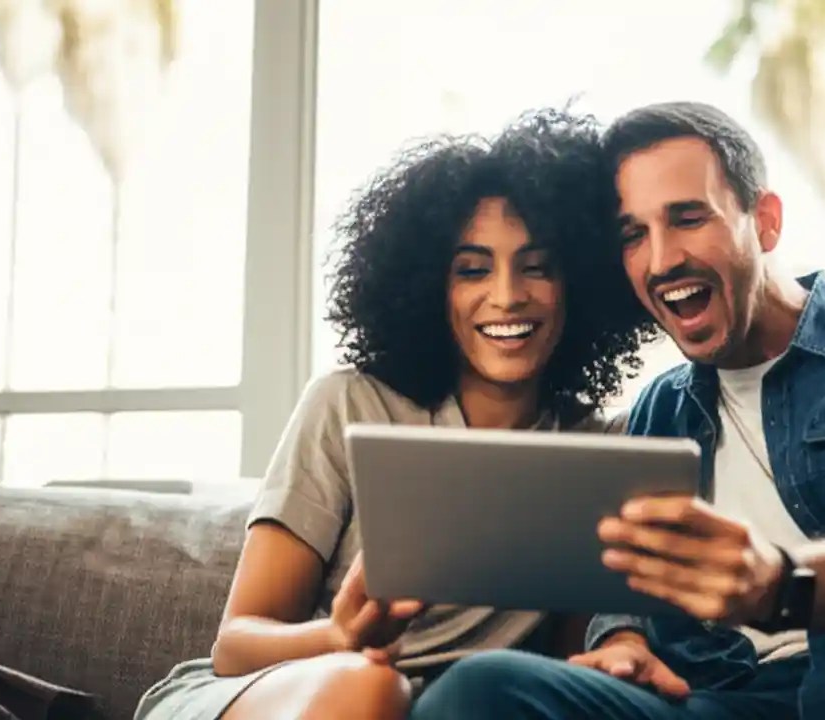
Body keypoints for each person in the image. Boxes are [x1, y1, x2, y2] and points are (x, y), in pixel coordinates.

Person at [410, 101, 825, 720]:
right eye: (632, 234)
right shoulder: (661, 412)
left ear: (764, 221)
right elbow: (626, 593)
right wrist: (621, 639)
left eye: (687, 217)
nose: (662, 258)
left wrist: (776, 582)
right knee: (482, 688)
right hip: (733, 705)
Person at [133, 108, 652, 720]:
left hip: (452, 709)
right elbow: (236, 643)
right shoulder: (349, 404)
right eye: (472, 269)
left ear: (578, 284)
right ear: (431, 288)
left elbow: (563, 666)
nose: (508, 295)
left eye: (537, 267)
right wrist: (340, 639)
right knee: (369, 688)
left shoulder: (602, 445)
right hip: (285, 689)